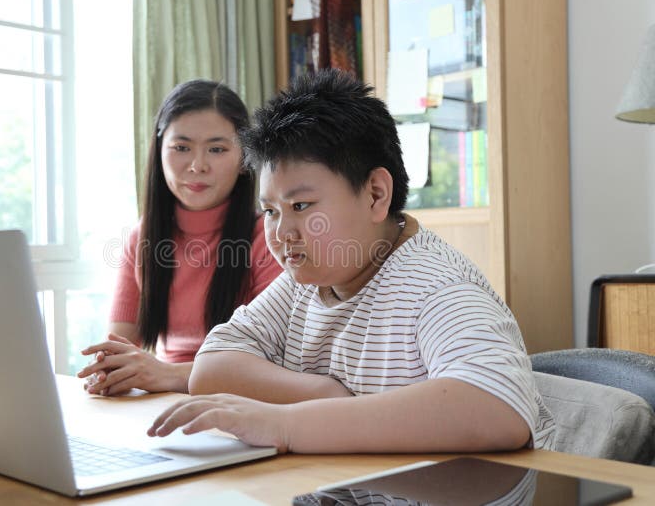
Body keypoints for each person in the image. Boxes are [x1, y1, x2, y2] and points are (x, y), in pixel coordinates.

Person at [146, 69, 556, 454]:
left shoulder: (436, 285)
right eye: (270, 211)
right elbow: (212, 367)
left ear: (376, 194)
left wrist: (288, 424)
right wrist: (328, 394)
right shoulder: (305, 281)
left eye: (302, 205)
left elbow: (498, 405)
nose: (281, 232)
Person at [78, 80, 283, 395]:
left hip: (238, 404)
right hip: (159, 402)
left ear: (244, 158)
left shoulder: (268, 238)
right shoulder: (143, 238)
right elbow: (119, 343)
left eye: (216, 149)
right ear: (159, 150)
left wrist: (166, 375)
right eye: (181, 147)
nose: (197, 166)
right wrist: (110, 372)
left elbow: (274, 360)